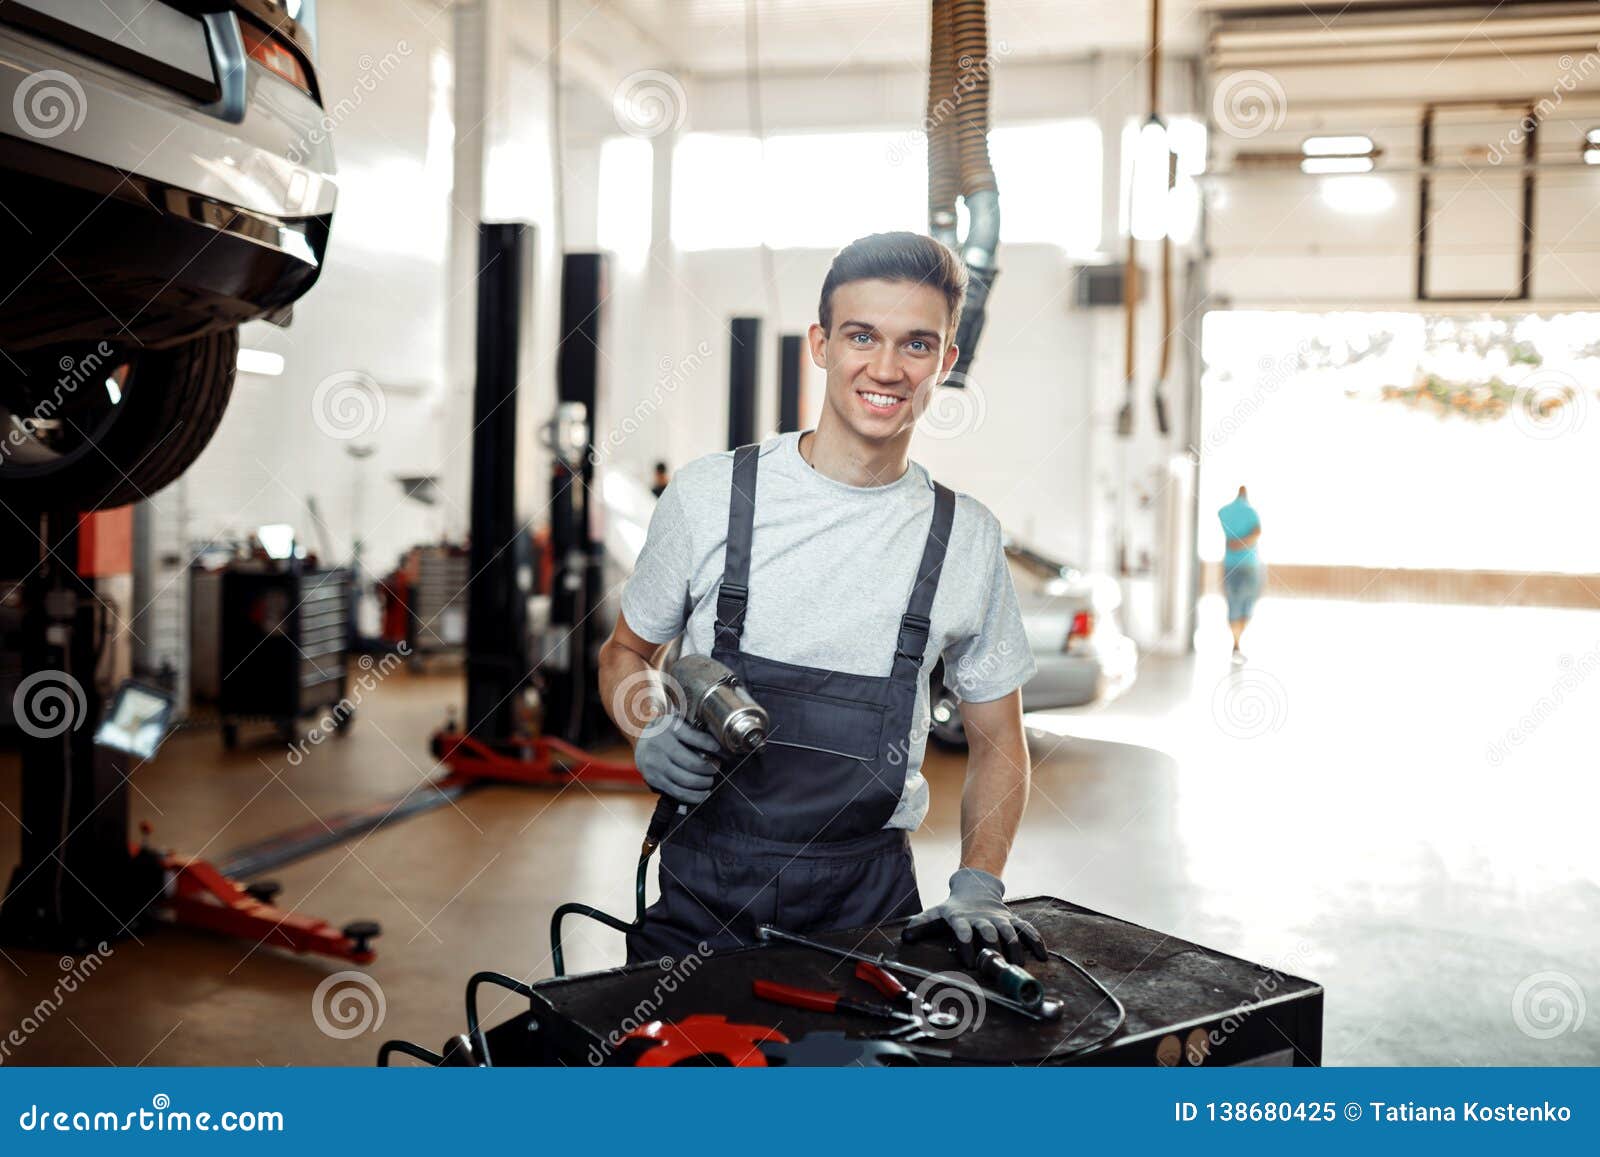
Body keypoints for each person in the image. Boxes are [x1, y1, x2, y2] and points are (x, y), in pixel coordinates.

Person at [598, 231, 1047, 968]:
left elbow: (999, 739)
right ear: (821, 343)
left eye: (917, 345)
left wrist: (979, 880)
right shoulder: (712, 496)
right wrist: (643, 720)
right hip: (703, 895)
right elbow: (627, 652)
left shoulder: (964, 537)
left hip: (865, 910)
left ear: (946, 363)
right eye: (861, 336)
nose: (886, 367)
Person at [1217, 485, 1263, 663]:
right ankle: (1237, 643)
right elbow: (1258, 532)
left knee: (1233, 605)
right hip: (1249, 565)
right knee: (1247, 605)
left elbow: (1219, 513)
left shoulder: (1225, 511)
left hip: (1229, 564)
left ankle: (1236, 643)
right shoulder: (1251, 512)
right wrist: (1243, 543)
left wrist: (1234, 542)